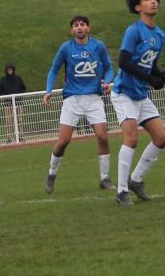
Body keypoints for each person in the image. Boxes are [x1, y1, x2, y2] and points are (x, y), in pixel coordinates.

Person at [111, 0, 165, 207]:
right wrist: (150, 79)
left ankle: (135, 180)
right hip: (124, 93)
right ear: (138, 7)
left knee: (161, 138)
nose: (153, 1)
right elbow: (124, 62)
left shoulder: (159, 34)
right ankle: (121, 191)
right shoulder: (134, 31)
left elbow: (150, 63)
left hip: (141, 94)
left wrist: (159, 75)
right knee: (132, 138)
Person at [43, 15, 114, 192]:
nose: (79, 27)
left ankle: (105, 178)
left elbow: (109, 68)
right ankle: (51, 174)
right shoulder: (66, 48)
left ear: (88, 28)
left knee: (103, 137)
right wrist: (48, 90)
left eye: (82, 24)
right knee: (63, 141)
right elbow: (54, 69)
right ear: (71, 30)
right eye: (76, 25)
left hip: (93, 98)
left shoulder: (98, 46)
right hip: (72, 99)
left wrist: (107, 82)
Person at [0, 64, 27, 143]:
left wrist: (19, 96)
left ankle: (20, 136)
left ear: (13, 70)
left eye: (11, 69)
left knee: (20, 120)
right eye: (8, 70)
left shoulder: (18, 78)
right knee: (8, 121)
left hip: (18, 102)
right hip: (8, 103)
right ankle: (9, 138)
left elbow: (23, 88)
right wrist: (6, 97)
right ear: (6, 71)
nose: (10, 71)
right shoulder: (3, 79)